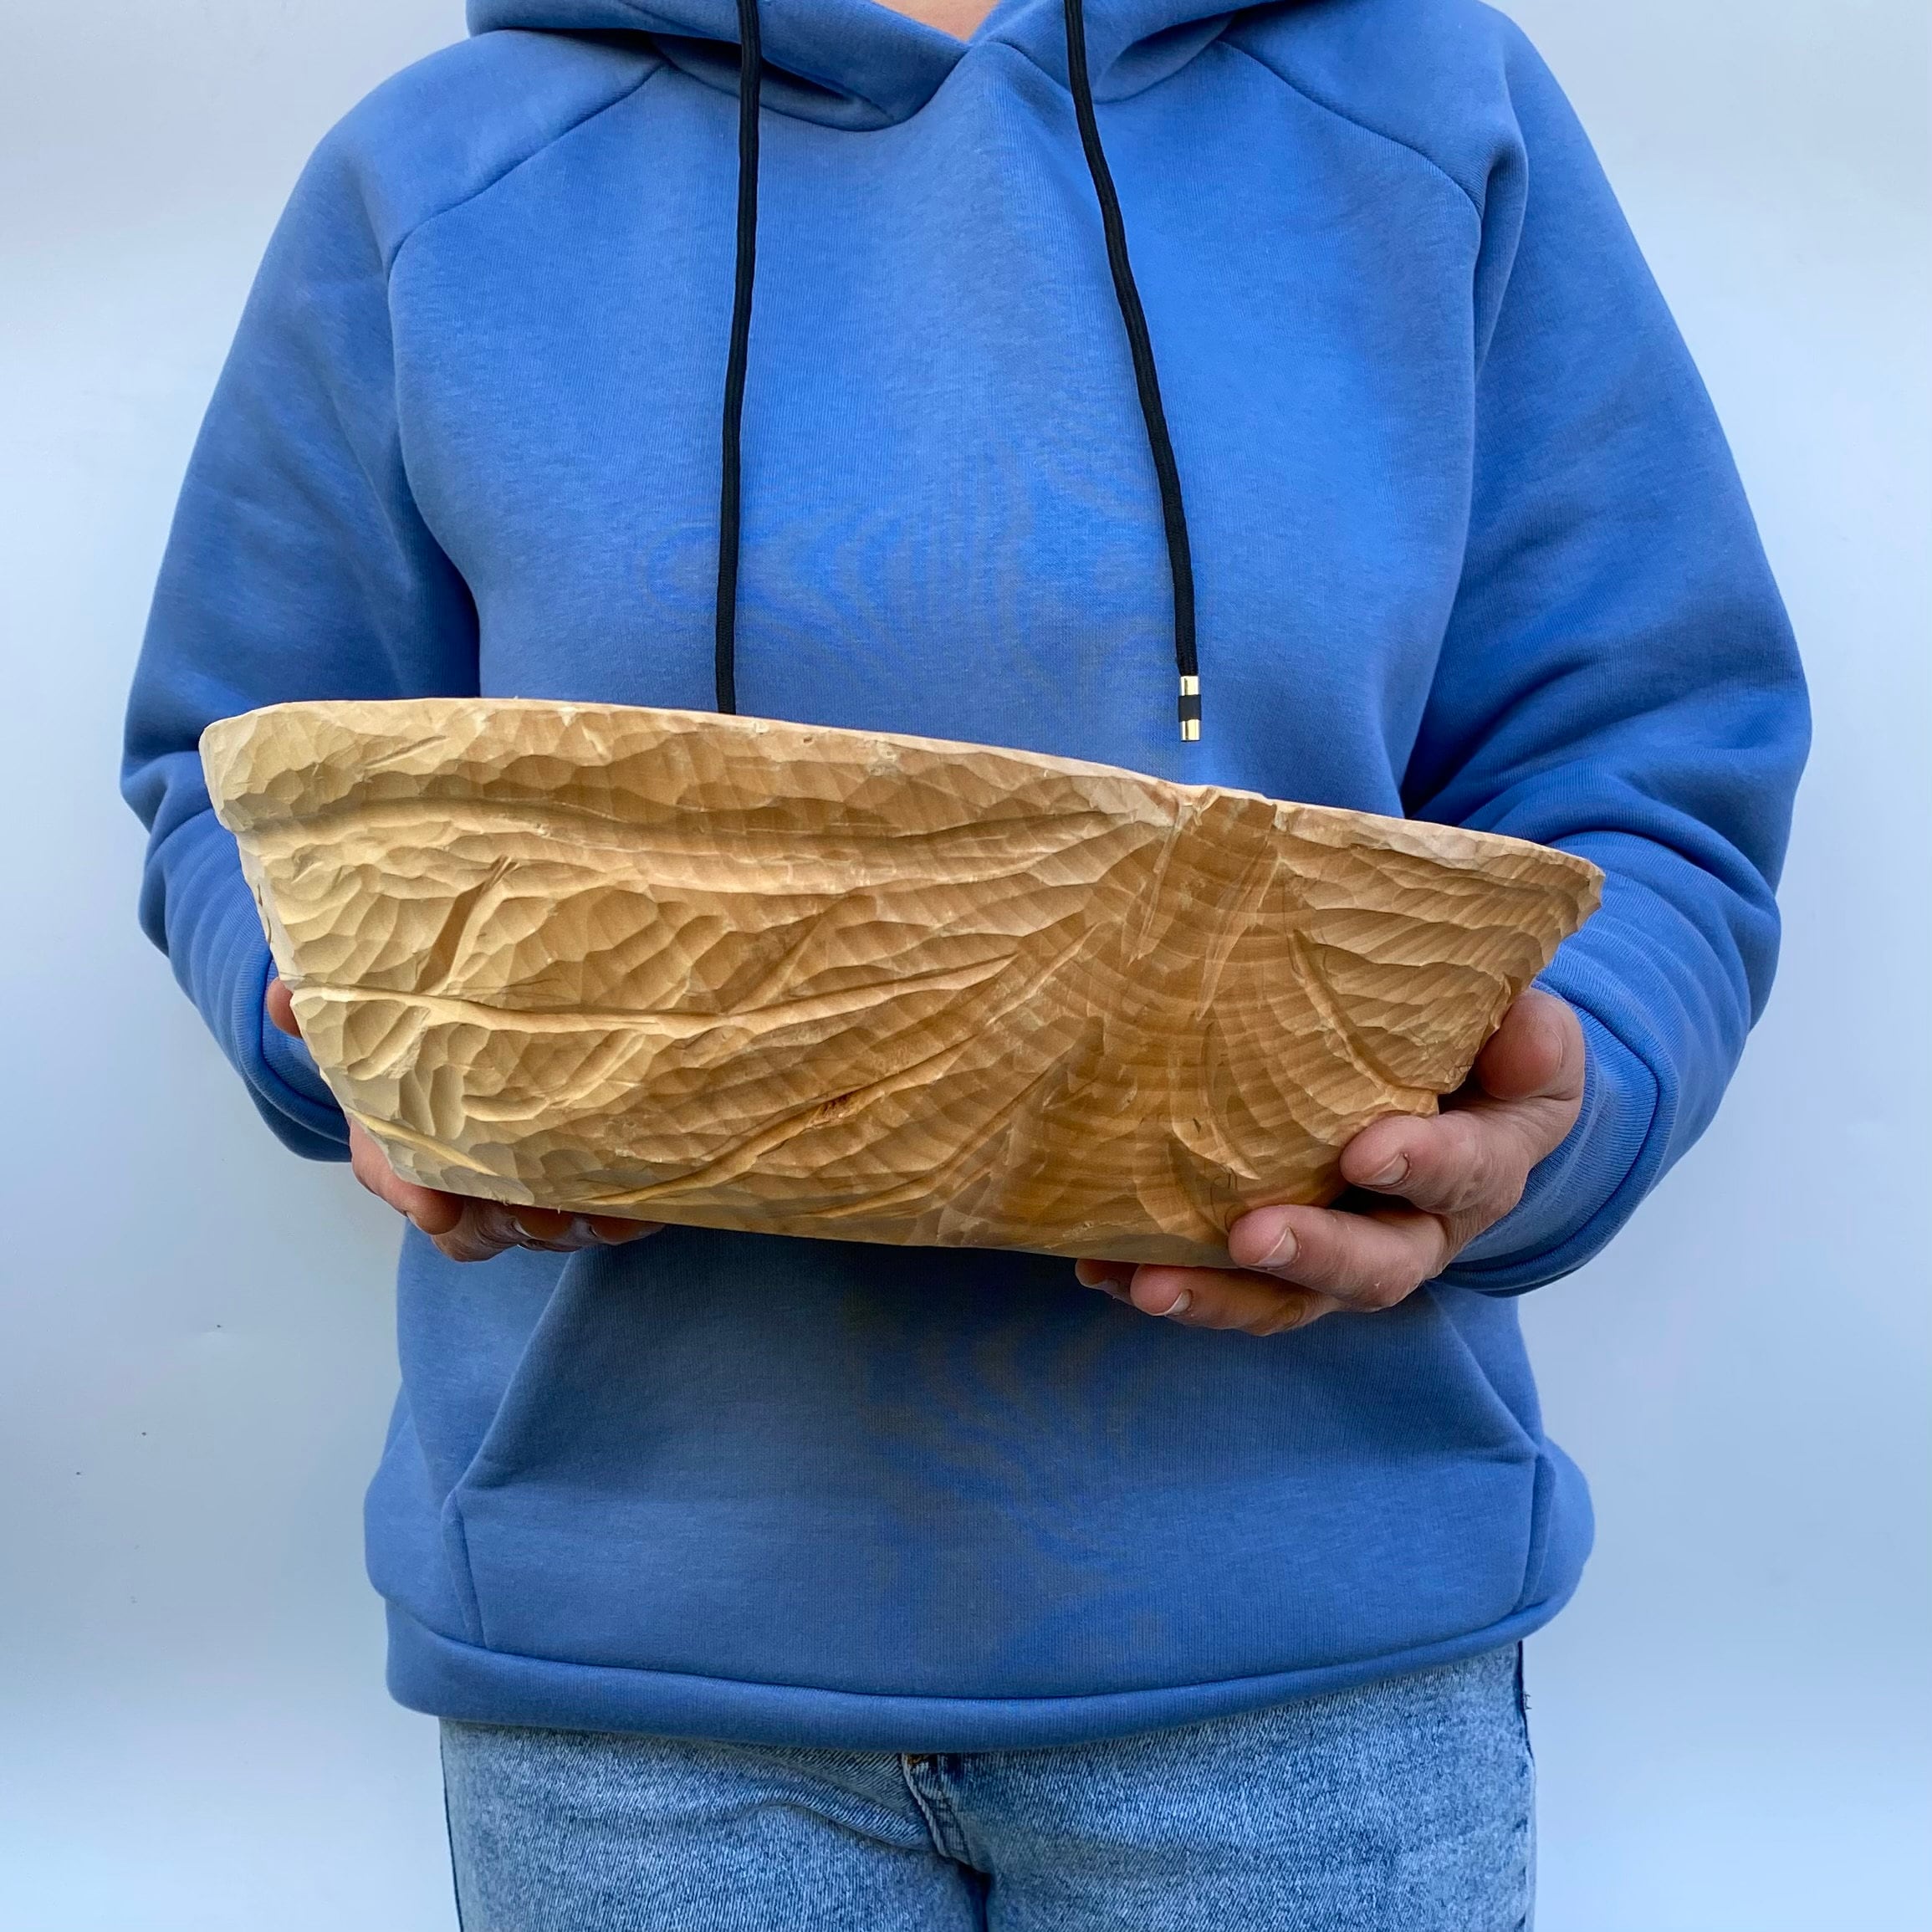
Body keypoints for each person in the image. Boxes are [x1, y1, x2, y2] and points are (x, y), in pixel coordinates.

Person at [121, 0, 1808, 1922]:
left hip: (1305, 1666)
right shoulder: (444, 169)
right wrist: (340, 1021)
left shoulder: (1429, 109)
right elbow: (238, 771)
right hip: (643, 1693)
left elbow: (1648, 759)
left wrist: (1554, 1106)